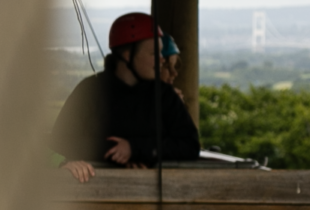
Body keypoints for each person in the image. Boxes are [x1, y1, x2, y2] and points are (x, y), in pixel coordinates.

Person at [53, 11, 200, 183]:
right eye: (154, 54)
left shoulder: (165, 96)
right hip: (95, 190)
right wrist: (115, 152)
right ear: (128, 55)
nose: (162, 60)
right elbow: (60, 141)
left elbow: (189, 146)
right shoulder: (89, 92)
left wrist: (135, 149)